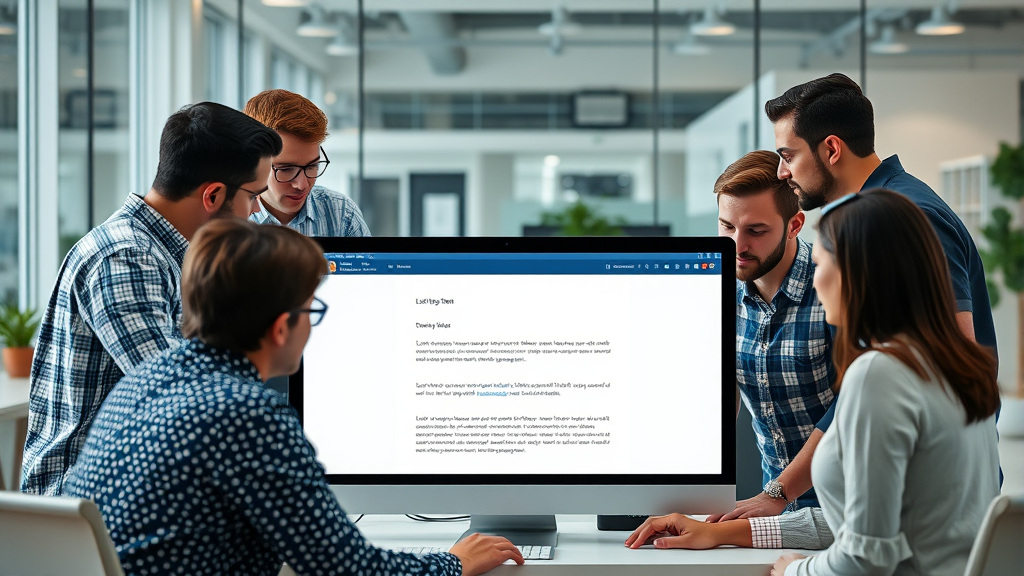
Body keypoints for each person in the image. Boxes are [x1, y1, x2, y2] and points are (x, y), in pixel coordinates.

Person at [64, 219, 523, 576]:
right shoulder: (246, 413)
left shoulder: (140, 383)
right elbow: (349, 568)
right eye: (312, 311)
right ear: (282, 327)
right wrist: (454, 561)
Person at [631, 190, 1001, 576]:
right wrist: (730, 532)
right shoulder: (954, 367)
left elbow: (865, 556)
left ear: (859, 274)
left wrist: (794, 572)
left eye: (822, 264)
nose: (817, 282)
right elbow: (861, 526)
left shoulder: (879, 374)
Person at [720, 71, 1001, 517]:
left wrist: (779, 494)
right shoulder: (877, 212)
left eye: (788, 155)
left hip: (917, 512)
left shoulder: (908, 217)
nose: (782, 171)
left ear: (831, 149)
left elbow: (951, 367)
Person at [22, 102, 283, 496]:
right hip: (84, 508)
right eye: (253, 196)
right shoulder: (127, 257)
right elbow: (182, 396)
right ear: (213, 195)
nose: (257, 211)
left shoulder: (165, 255)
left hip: (129, 488)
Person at [714, 150, 835, 515]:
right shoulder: (723, 291)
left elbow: (851, 412)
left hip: (844, 503)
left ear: (794, 224)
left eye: (756, 230)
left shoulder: (834, 286)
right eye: (727, 227)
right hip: (775, 505)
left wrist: (777, 494)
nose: (737, 245)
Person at [244, 88, 370, 237]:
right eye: (286, 169)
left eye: (312, 166)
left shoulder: (342, 214)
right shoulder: (227, 223)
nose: (302, 185)